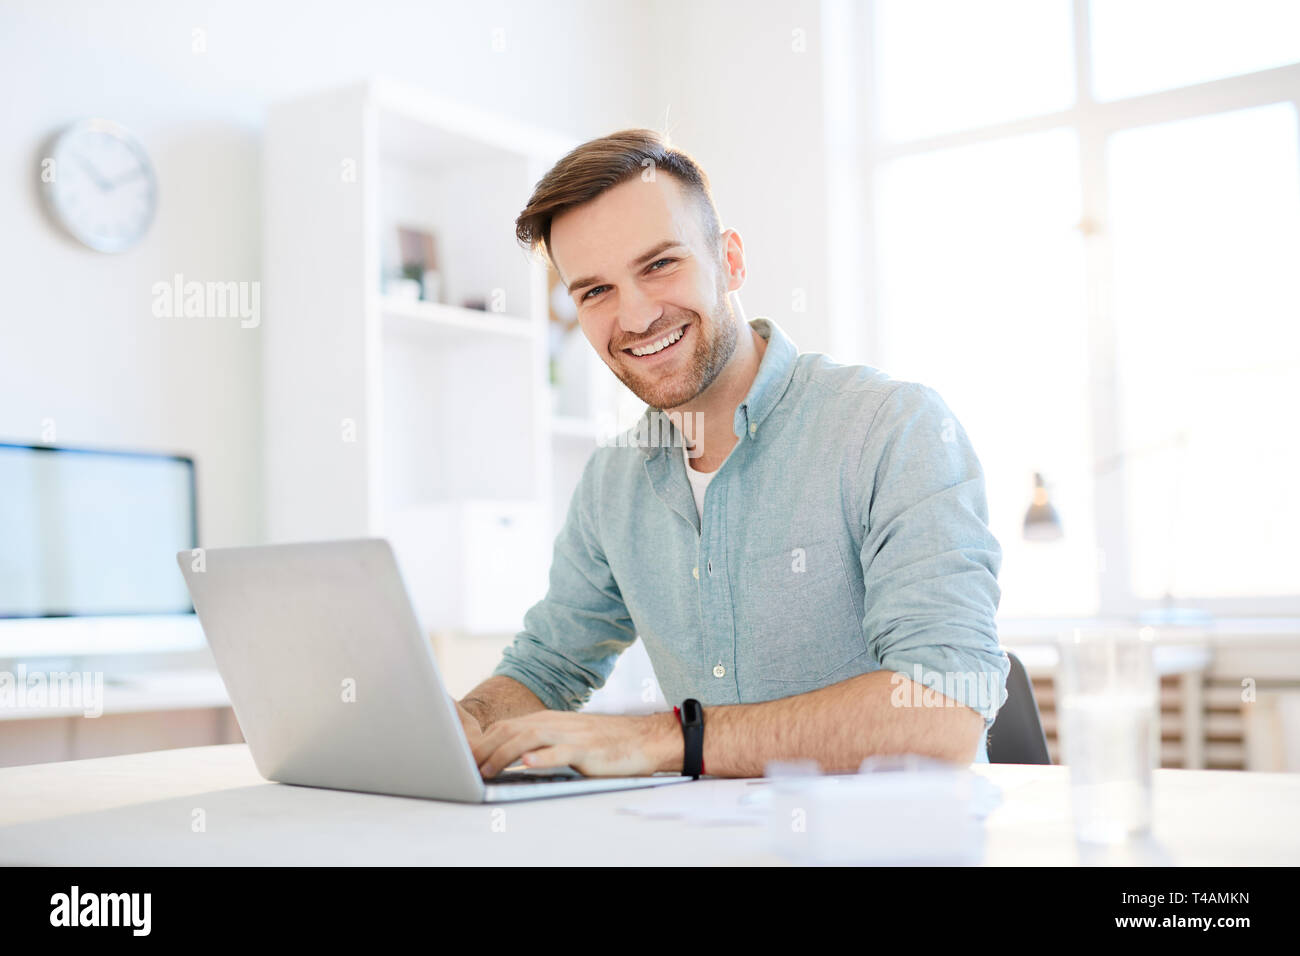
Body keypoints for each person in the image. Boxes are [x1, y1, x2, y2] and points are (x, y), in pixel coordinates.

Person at [457, 129, 1009, 778]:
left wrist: (667, 741)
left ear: (732, 261)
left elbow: (942, 705)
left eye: (660, 264)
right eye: (595, 291)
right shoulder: (613, 483)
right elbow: (546, 668)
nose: (634, 318)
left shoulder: (891, 428)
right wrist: (459, 724)